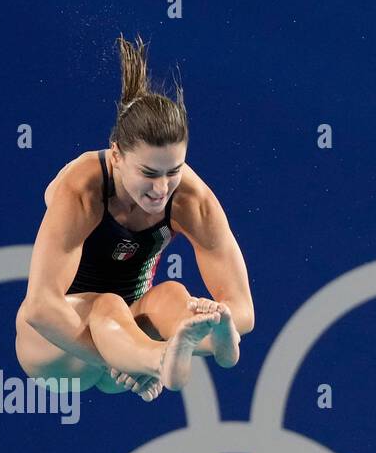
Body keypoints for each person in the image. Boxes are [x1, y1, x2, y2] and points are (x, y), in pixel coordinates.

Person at [15, 33, 255, 402]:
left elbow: (243, 311)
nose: (162, 188)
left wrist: (223, 323)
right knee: (105, 303)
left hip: (127, 341)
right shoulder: (82, 187)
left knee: (174, 294)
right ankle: (160, 359)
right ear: (116, 156)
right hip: (58, 349)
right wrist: (130, 363)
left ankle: (205, 344)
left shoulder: (191, 198)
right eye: (149, 173)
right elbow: (40, 308)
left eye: (173, 171)